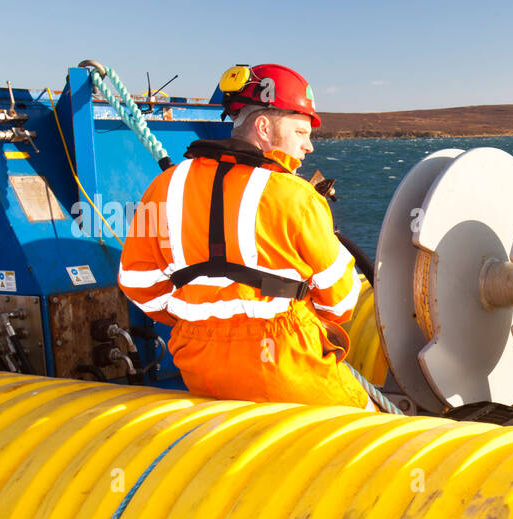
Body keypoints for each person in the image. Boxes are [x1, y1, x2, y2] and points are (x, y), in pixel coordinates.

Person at [118, 63, 371, 408]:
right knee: (370, 430)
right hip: (283, 363)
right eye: (300, 132)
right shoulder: (294, 195)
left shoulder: (163, 186)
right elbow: (341, 301)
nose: (309, 146)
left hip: (198, 364)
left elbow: (136, 281)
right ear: (265, 127)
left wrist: (196, 320)